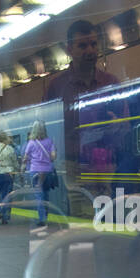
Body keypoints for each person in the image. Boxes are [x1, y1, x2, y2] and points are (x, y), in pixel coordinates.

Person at [48, 20, 121, 195]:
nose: (90, 50)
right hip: (73, 165)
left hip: (104, 163)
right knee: (81, 216)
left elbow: (125, 125)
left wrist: (116, 124)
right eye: (82, 45)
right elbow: (50, 132)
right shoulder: (57, 87)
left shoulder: (111, 83)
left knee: (104, 216)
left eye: (94, 44)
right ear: (69, 50)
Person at [22, 120, 58, 229]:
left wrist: (25, 163)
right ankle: (45, 216)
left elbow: (26, 157)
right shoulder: (49, 141)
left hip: (35, 171)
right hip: (47, 171)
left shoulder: (31, 142)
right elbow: (53, 157)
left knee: (38, 195)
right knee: (46, 193)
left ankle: (42, 219)